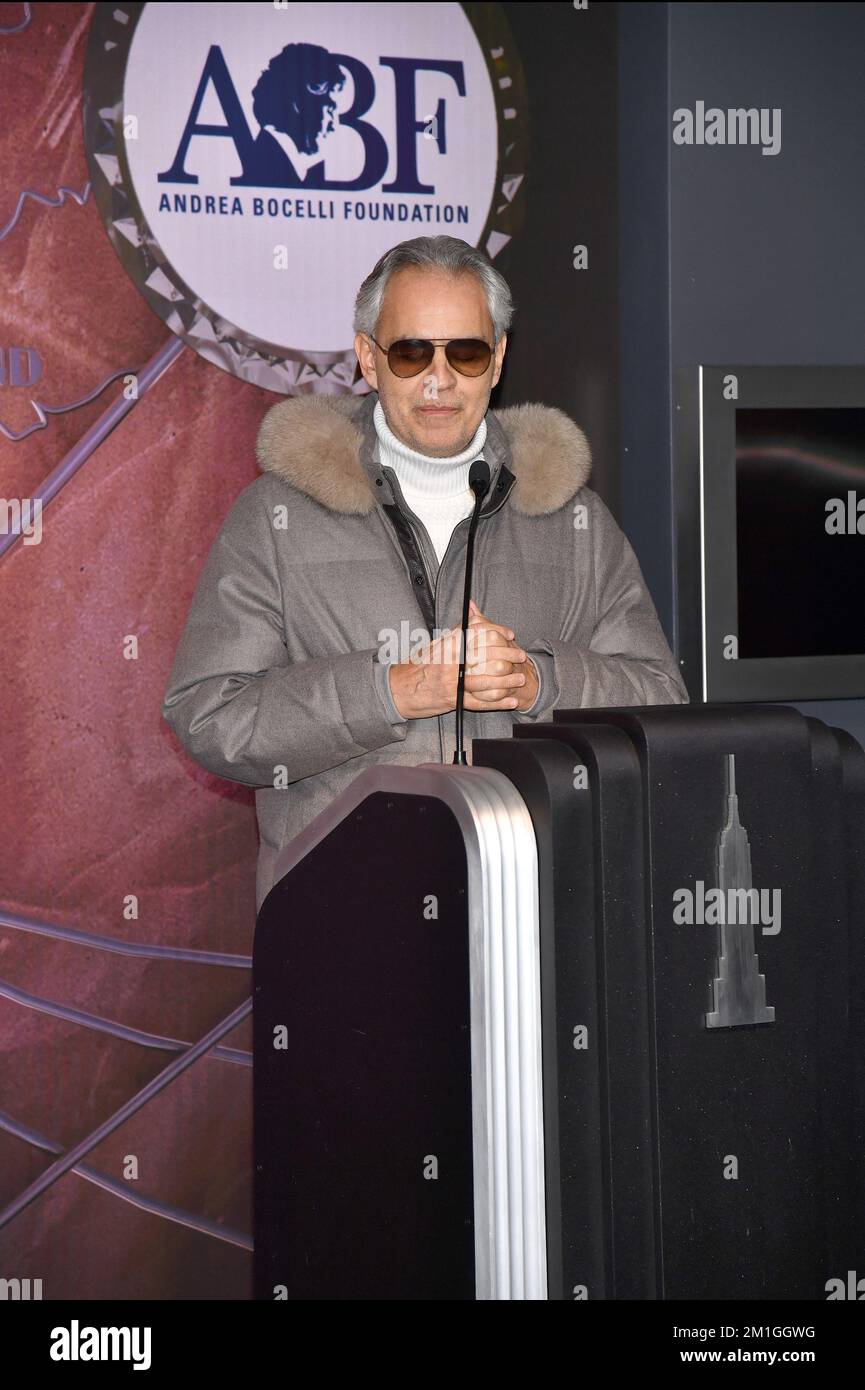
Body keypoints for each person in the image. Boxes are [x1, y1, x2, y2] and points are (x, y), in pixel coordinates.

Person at [162, 235, 689, 911]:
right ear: (367, 359)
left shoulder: (571, 516)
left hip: (538, 917)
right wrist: (392, 690)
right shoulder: (275, 515)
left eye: (464, 352)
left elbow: (659, 703)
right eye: (411, 352)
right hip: (342, 921)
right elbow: (210, 716)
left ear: (497, 359)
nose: (439, 380)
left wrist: (536, 680)